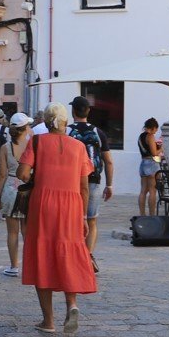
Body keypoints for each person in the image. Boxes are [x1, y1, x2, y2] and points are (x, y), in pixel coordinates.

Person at [17, 102, 97, 333]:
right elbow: (84, 187)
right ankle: (71, 304)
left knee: (43, 254)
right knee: (69, 253)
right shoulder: (79, 147)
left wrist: (37, 174)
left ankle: (48, 321)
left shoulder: (38, 142)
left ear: (46, 121)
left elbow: (22, 173)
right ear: (65, 123)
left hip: (43, 203)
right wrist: (82, 215)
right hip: (72, 205)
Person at [68, 96, 113, 270]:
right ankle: (87, 256)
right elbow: (108, 161)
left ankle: (73, 256)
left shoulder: (66, 132)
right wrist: (109, 185)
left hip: (71, 181)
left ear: (73, 111)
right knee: (92, 221)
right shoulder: (98, 132)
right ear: (88, 111)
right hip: (93, 180)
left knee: (73, 220)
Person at [0, 112, 33, 277]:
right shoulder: (32, 145)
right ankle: (30, 265)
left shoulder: (5, 147)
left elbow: (2, 174)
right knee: (27, 231)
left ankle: (13, 266)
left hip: (10, 188)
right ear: (25, 129)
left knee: (12, 232)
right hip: (28, 188)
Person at [137, 118, 162, 216]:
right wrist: (162, 148)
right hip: (151, 163)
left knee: (143, 191)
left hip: (143, 163)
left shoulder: (141, 136)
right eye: (156, 129)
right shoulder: (150, 136)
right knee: (152, 191)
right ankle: (152, 214)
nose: (156, 132)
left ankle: (142, 214)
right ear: (153, 128)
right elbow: (154, 153)